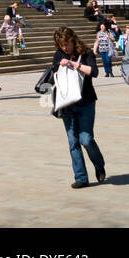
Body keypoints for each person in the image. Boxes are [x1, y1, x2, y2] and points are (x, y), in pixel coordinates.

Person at [51, 26, 106, 188]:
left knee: (86, 139)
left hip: (86, 101)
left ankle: (99, 163)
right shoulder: (59, 54)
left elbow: (94, 72)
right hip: (67, 104)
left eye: (66, 44)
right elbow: (54, 74)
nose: (64, 48)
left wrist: (74, 64)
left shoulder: (86, 53)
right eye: (61, 45)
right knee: (73, 141)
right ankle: (81, 177)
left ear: (73, 40)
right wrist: (59, 65)